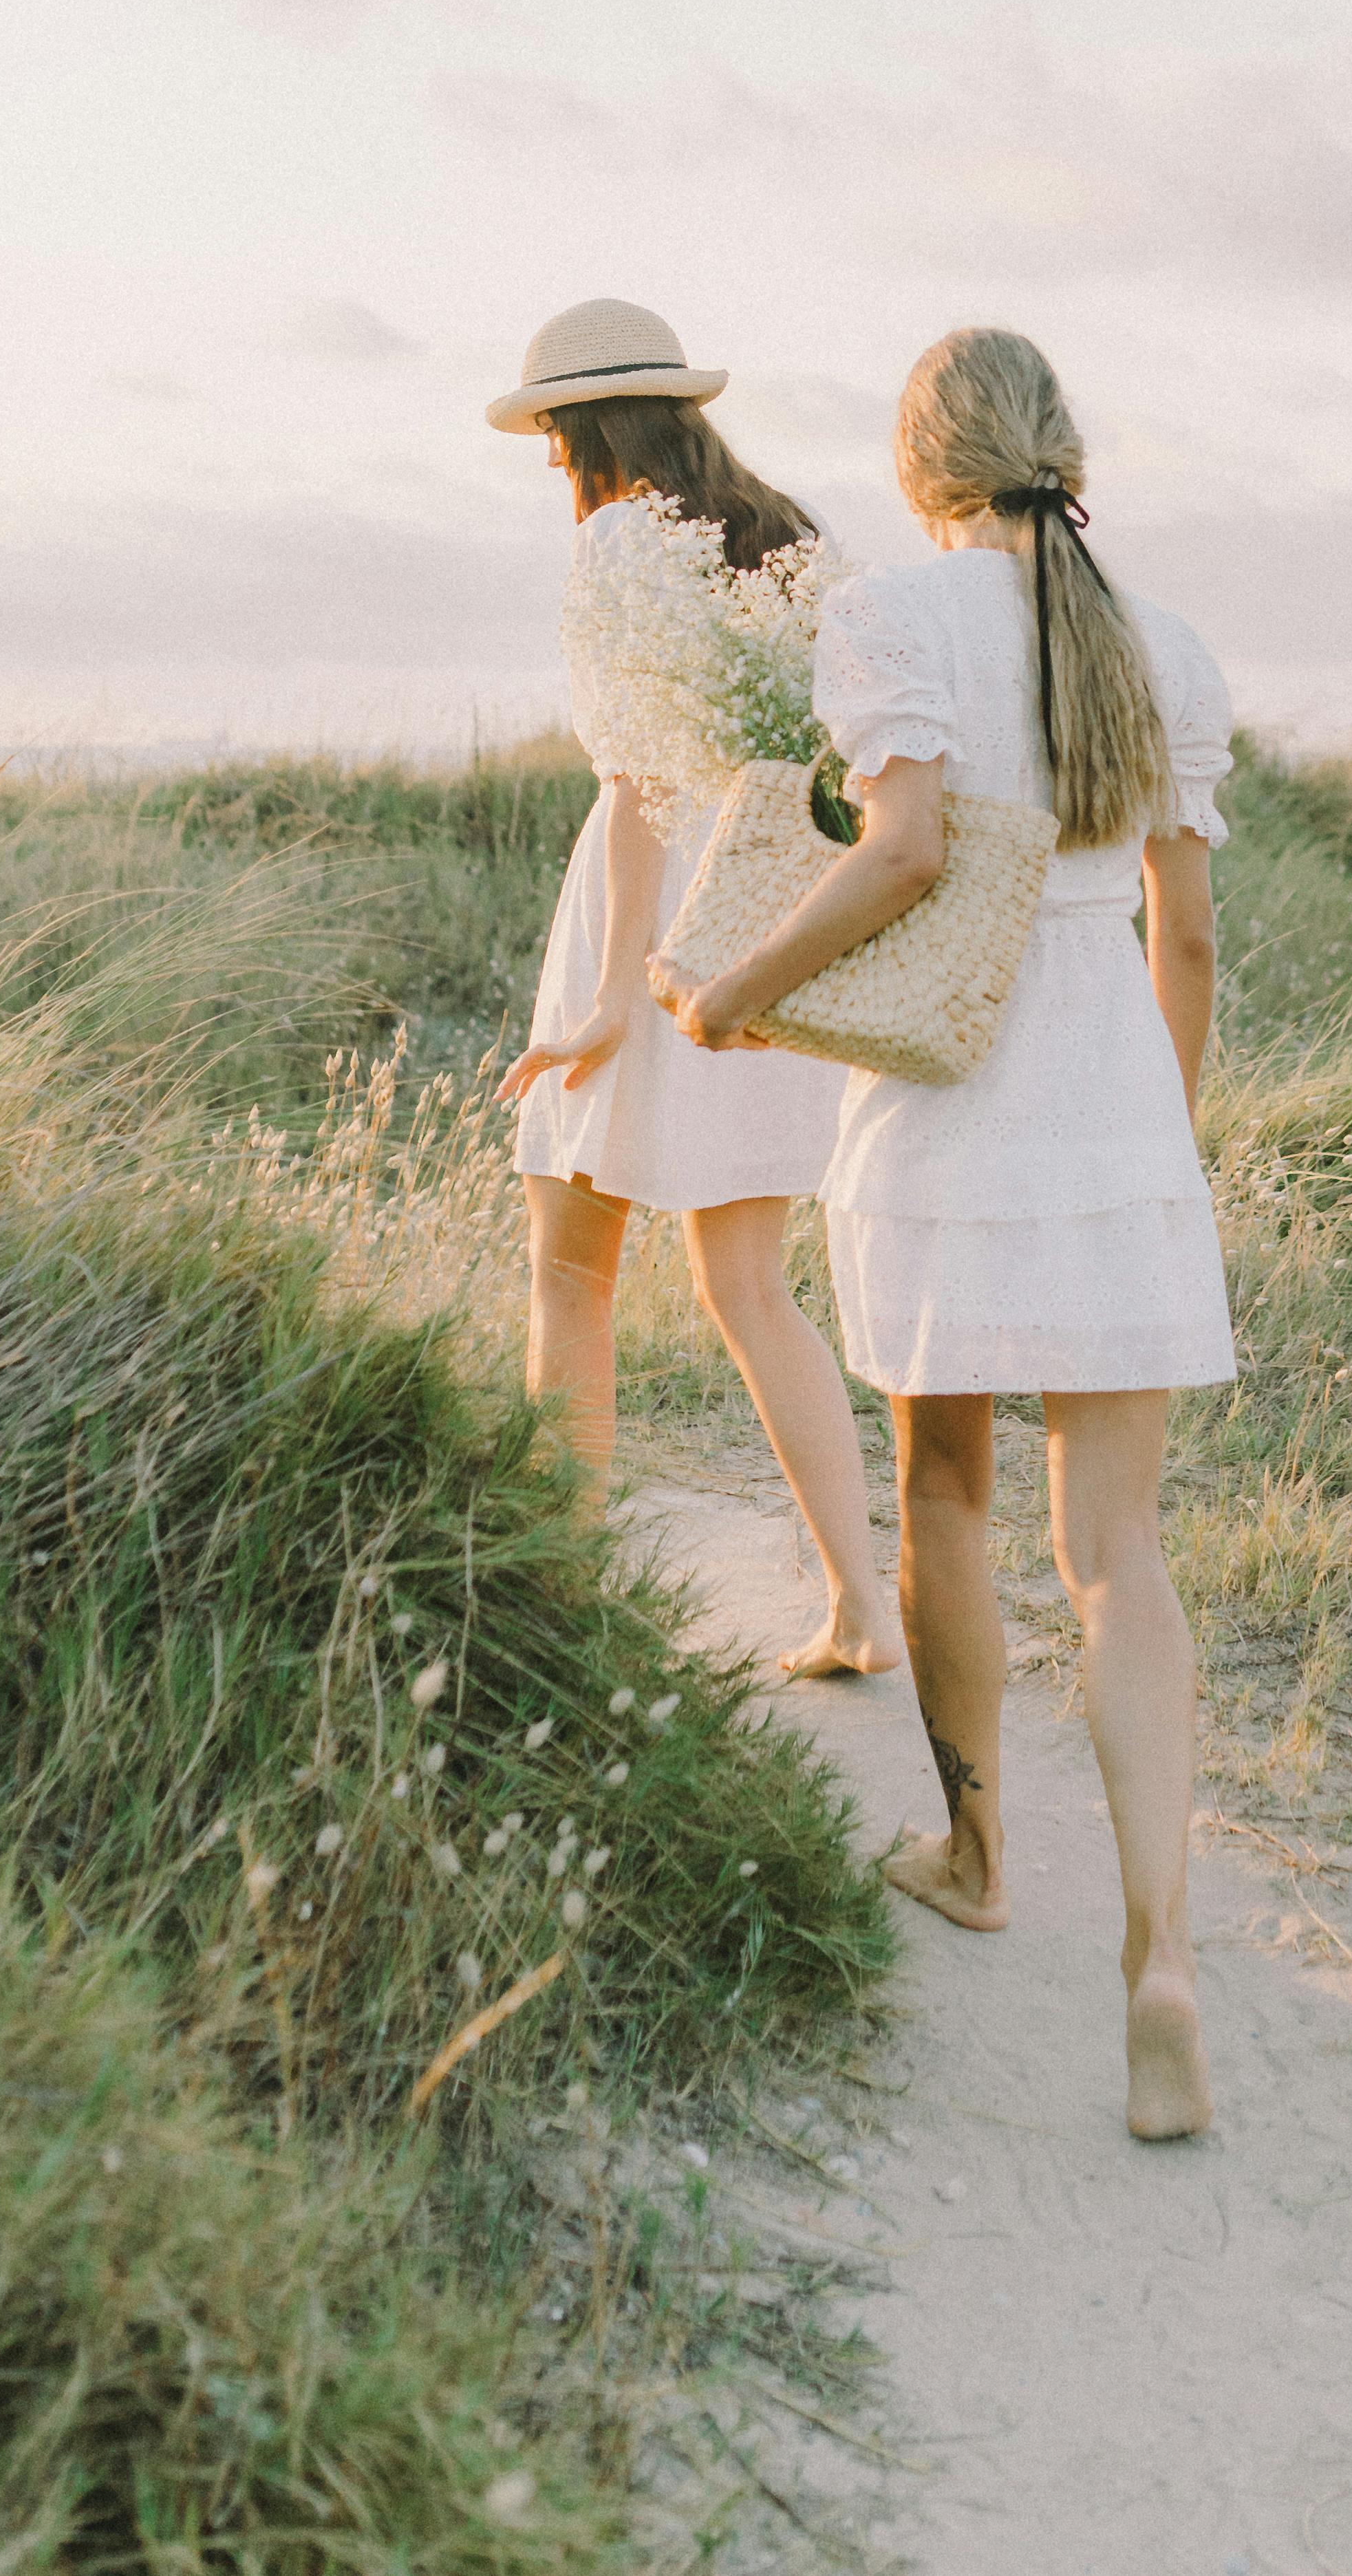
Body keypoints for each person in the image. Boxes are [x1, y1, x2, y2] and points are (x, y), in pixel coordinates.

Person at [665, 325, 1234, 2138]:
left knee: (956, 1503)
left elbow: (901, 848)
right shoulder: (1171, 647)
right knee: (1117, 1549)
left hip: (945, 1104)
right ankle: (1161, 1956)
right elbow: (1190, 938)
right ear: (1068, 451)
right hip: (1115, 1103)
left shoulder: (892, 620)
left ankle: (981, 1854)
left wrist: (735, 985)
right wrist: (1161, 1132)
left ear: (925, 468)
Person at [486, 297, 896, 1682]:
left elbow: (636, 788)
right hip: (767, 913)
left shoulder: (614, 546)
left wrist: (605, 988)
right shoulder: (786, 526)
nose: (547, 462)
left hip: (653, 916)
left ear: (572, 432)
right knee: (748, 1283)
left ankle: (558, 1591)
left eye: (548, 433)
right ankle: (858, 1602)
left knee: (568, 1271)